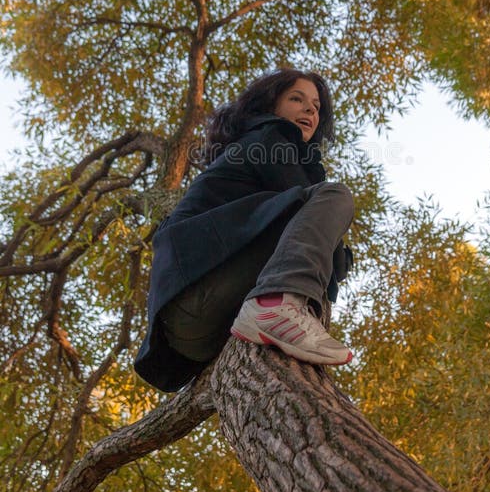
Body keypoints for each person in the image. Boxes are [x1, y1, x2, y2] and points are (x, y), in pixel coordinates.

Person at [134, 68, 354, 393]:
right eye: (297, 99)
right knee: (335, 195)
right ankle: (275, 307)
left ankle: (272, 309)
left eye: (316, 106)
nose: (310, 110)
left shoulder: (274, 157)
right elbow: (334, 256)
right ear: (269, 106)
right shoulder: (266, 141)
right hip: (196, 298)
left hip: (196, 339)